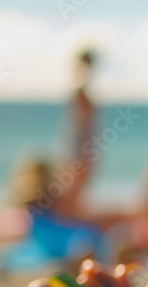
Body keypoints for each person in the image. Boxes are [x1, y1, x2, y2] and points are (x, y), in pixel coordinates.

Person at [58, 50, 97, 218]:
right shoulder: (81, 92)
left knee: (75, 188)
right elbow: (81, 126)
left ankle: (72, 218)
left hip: (80, 145)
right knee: (75, 188)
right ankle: (72, 218)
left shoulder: (80, 91)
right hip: (81, 146)